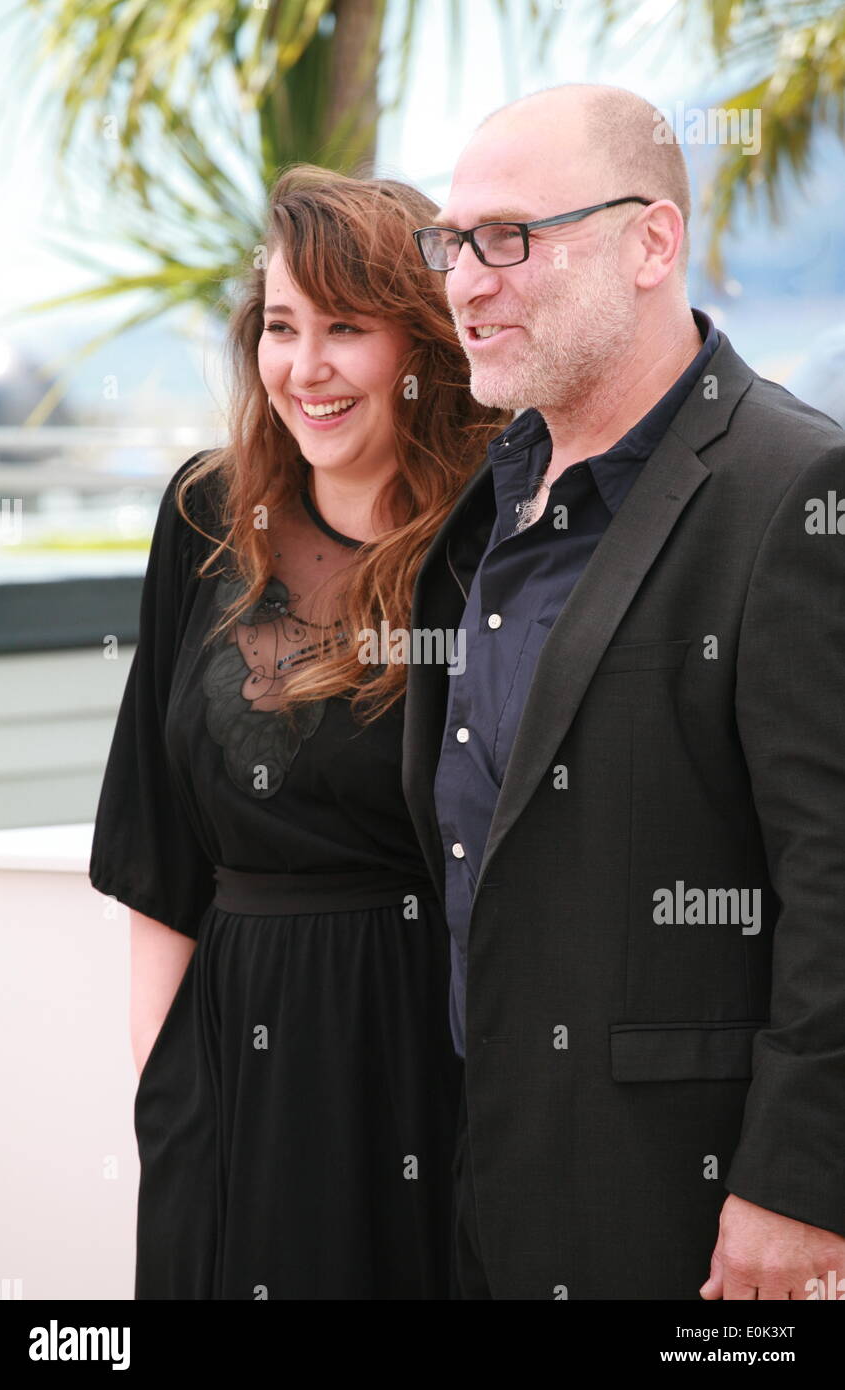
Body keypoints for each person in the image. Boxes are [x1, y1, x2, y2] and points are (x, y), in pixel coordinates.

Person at [403, 83, 845, 1299]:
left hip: (691, 1210)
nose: (466, 281)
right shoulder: (488, 503)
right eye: (452, 243)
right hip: (486, 1180)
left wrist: (800, 1184)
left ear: (651, 241)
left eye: (510, 238)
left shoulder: (793, 489)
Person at [88, 164, 507, 1299]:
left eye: (345, 328)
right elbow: (157, 852)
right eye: (280, 326)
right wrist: (170, 1098)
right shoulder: (203, 521)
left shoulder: (495, 546)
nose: (303, 367)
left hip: (424, 1063)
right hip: (225, 1076)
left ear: (420, 347)